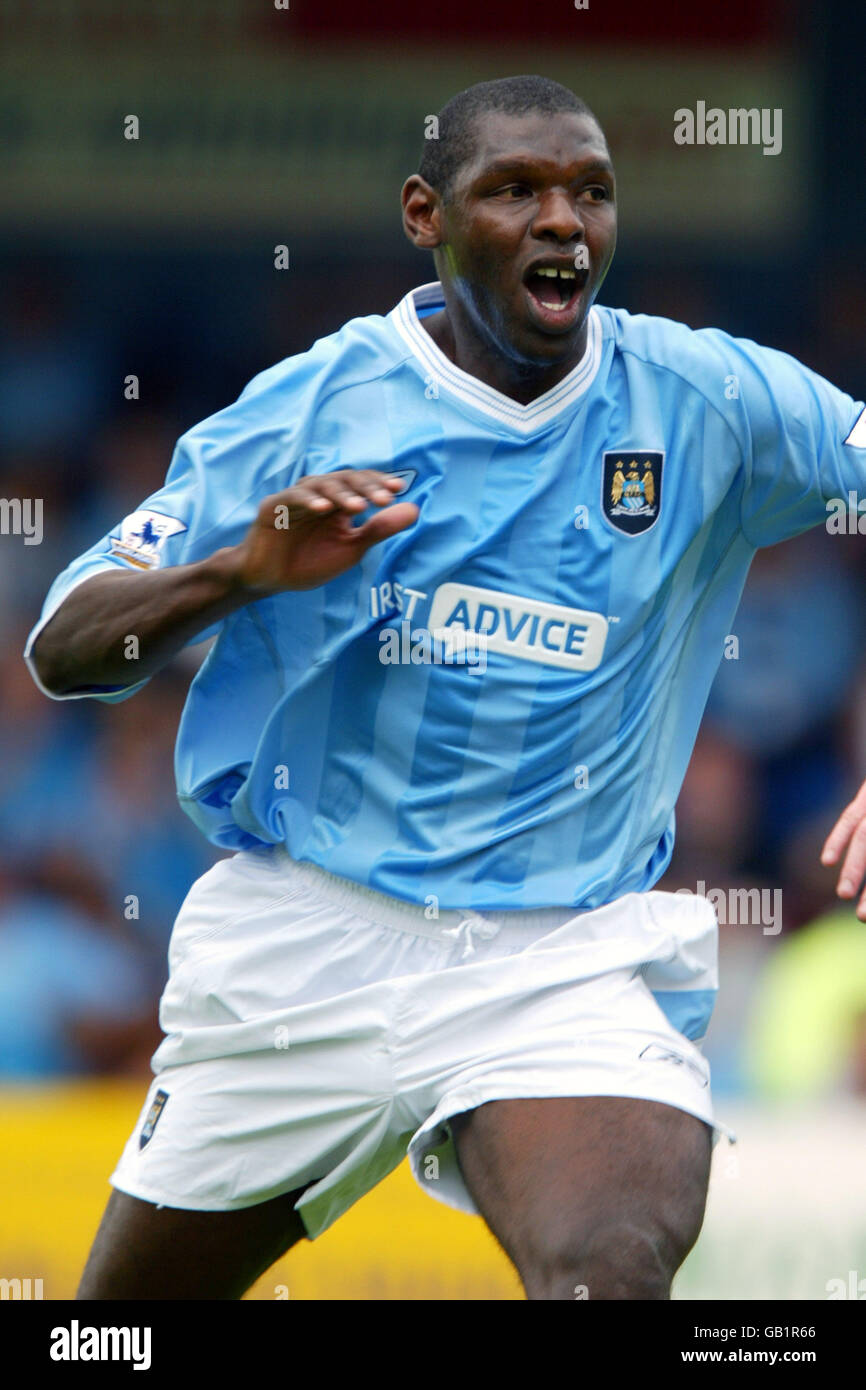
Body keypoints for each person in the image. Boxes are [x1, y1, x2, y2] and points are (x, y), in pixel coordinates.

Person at [25, 74, 866, 1301]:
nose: (562, 221)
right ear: (425, 213)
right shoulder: (314, 409)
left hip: (558, 953)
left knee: (608, 1265)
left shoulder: (711, 400)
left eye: (590, 191)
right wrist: (238, 572)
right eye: (514, 189)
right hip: (308, 939)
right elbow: (67, 646)